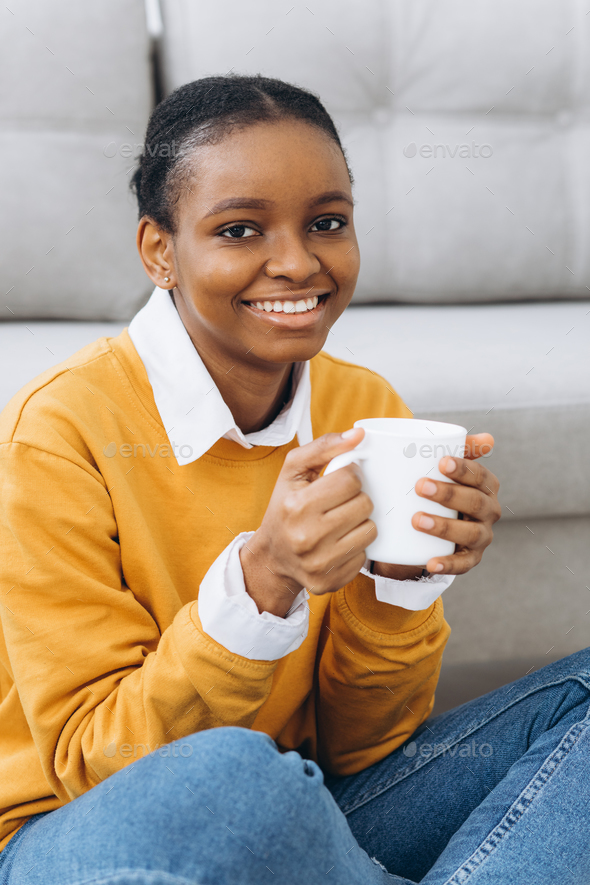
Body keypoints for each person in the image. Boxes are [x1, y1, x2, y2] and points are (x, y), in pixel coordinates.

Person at [0, 74, 587, 885]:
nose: (297, 261)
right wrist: (264, 578)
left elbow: (361, 750)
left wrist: (402, 581)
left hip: (309, 805)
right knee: (235, 776)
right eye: (240, 229)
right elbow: (97, 761)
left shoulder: (363, 408)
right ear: (159, 250)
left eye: (328, 223)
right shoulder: (57, 433)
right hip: (88, 827)